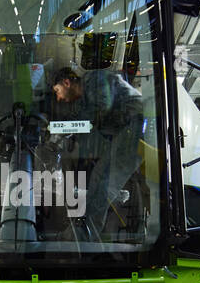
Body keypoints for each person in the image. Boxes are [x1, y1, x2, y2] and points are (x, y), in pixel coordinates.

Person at [42, 64, 144, 236]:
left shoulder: (96, 79)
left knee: (104, 179)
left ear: (67, 83)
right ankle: (85, 228)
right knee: (99, 177)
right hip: (129, 131)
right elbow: (80, 118)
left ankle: (86, 235)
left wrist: (65, 129)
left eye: (57, 90)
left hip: (137, 126)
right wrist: (59, 131)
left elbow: (102, 107)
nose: (58, 98)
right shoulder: (84, 99)